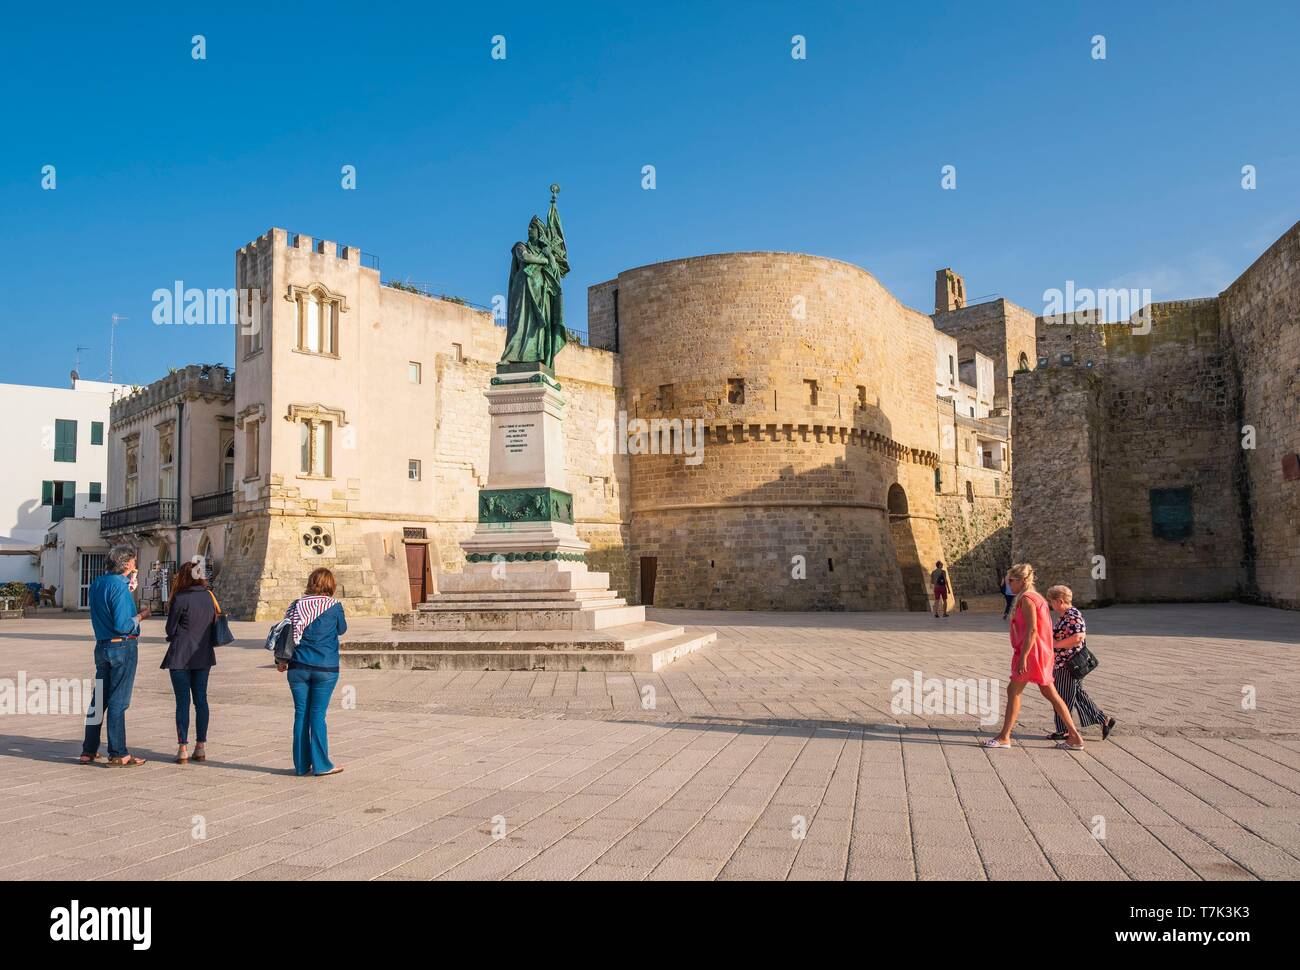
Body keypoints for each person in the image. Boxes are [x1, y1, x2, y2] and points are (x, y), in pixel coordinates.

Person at [983, 563, 1084, 751]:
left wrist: (1023, 657)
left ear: (1022, 581)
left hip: (1031, 653)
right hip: (1042, 652)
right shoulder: (1037, 598)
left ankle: (1005, 736)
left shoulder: (1028, 599)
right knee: (1050, 694)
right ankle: (1074, 736)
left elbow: (1032, 630)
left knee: (1014, 691)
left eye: (1011, 581)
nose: (1008, 585)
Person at [80, 544, 151, 766]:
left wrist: (127, 588)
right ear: (128, 563)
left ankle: (88, 750)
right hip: (122, 646)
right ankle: (118, 752)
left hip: (101, 646)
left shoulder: (98, 584)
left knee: (98, 700)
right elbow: (122, 624)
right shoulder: (119, 587)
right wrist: (141, 616)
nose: (135, 565)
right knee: (118, 701)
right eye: (134, 561)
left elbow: (107, 607)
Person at [277, 567, 346, 777]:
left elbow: (285, 632)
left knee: (300, 715)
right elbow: (342, 629)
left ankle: (301, 765)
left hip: (297, 667)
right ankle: (322, 765)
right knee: (317, 715)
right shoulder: (334, 606)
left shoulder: (296, 605)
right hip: (325, 668)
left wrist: (280, 660)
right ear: (330, 585)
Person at [161, 560, 218, 764]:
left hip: (180, 656)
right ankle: (200, 747)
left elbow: (170, 629)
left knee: (182, 702)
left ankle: (183, 748)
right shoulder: (209, 596)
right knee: (201, 700)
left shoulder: (180, 598)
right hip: (203, 655)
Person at [1045, 585, 1116, 742]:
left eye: (1052, 601)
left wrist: (1056, 645)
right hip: (1065, 663)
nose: (1051, 605)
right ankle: (1103, 719)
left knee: (1062, 696)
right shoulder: (1065, 615)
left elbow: (1079, 636)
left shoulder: (1072, 615)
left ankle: (1064, 730)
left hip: (1068, 663)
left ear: (1060, 601)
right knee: (1076, 695)